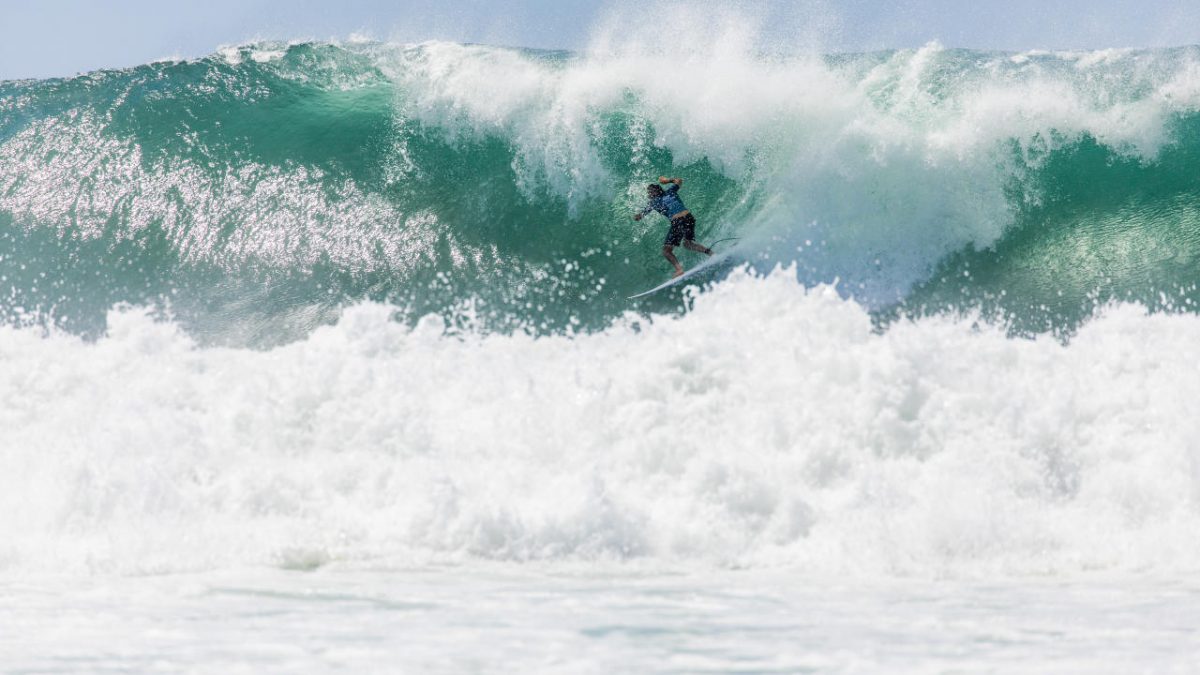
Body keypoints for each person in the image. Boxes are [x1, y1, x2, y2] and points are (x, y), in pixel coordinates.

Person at [633, 176, 712, 277]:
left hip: (678, 221)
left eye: (649, 192)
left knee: (666, 251)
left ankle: (679, 270)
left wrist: (634, 214)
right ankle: (711, 253)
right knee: (688, 244)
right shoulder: (670, 191)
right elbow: (679, 180)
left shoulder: (653, 202)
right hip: (689, 217)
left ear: (654, 192)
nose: (649, 194)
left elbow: (639, 217)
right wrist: (668, 181)